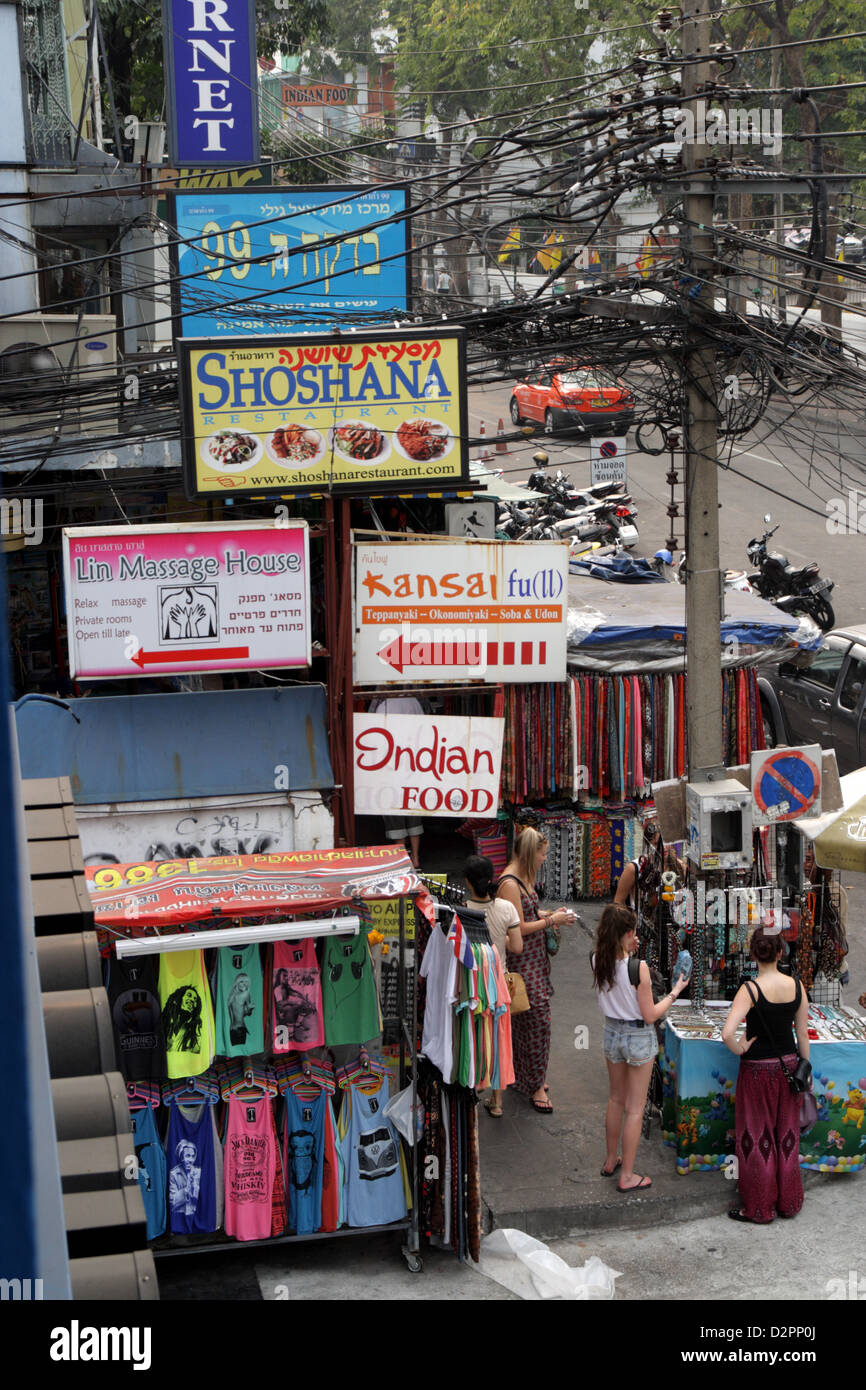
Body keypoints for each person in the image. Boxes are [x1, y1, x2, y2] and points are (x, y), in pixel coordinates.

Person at [591, 904, 688, 1191]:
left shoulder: (597, 959)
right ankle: (628, 1176)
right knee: (635, 1108)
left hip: (611, 1032)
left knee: (615, 1100)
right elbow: (650, 1014)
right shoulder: (638, 968)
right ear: (628, 933)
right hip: (637, 1036)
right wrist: (674, 992)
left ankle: (611, 1160)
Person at [721, 925, 810, 1223]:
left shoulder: (749, 990)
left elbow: (727, 1033)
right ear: (781, 952)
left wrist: (739, 1047)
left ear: (753, 954)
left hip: (757, 1070)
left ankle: (759, 1208)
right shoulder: (797, 987)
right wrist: (803, 1070)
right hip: (789, 1069)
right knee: (787, 1137)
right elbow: (802, 1035)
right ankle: (789, 1203)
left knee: (757, 1139)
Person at [496, 828, 573, 1114]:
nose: (544, 858)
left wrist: (548, 916)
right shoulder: (510, 884)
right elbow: (518, 928)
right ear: (531, 853)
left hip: (534, 960)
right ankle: (536, 1084)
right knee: (538, 1021)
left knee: (527, 1021)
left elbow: (527, 916)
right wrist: (551, 920)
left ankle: (529, 1076)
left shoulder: (522, 880)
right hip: (522, 962)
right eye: (542, 853)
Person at [463, 854, 523, 1118]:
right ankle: (497, 1102)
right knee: (499, 1040)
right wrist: (499, 943)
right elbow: (518, 946)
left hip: (471, 985)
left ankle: (472, 1091)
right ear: (492, 879)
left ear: (467, 882)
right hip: (500, 983)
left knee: (473, 1036)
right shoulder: (507, 909)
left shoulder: (462, 909)